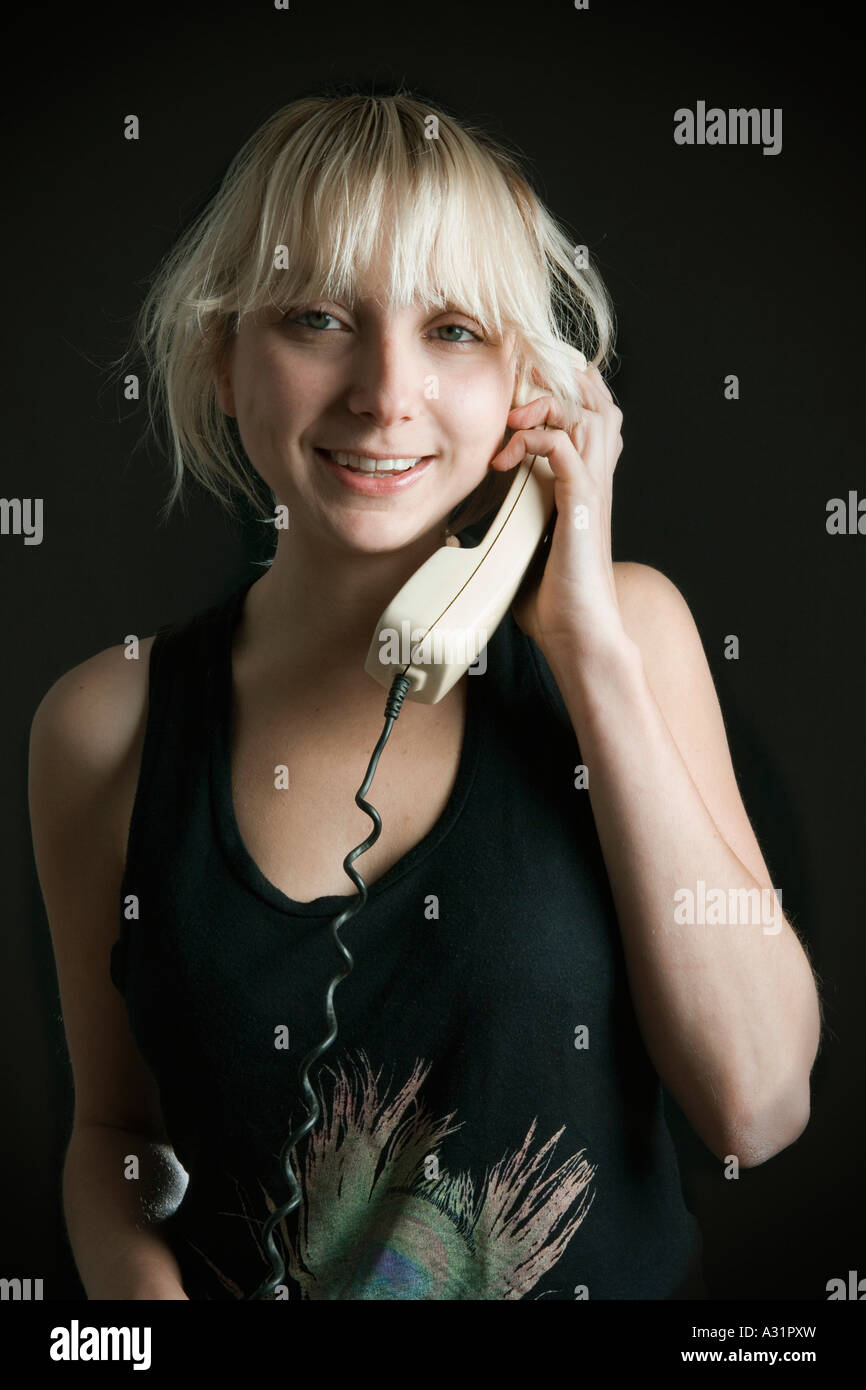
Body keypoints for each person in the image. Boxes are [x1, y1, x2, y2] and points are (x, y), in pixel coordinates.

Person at [28, 88, 822, 1302]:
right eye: (317, 319)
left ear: (531, 384)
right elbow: (114, 1136)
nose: (385, 391)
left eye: (452, 328)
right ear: (224, 358)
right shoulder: (103, 728)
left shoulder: (629, 637)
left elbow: (755, 1106)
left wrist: (588, 653)